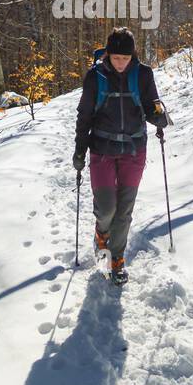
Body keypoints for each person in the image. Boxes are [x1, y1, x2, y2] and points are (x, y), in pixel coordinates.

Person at [72, 27, 170, 283]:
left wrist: (160, 117)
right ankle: (101, 235)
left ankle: (116, 260)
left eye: (125, 59)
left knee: (124, 210)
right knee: (106, 209)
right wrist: (80, 150)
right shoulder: (95, 77)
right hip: (102, 149)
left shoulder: (144, 74)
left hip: (134, 149)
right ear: (107, 55)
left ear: (132, 56)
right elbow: (84, 115)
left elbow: (152, 105)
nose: (120, 63)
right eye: (116, 58)